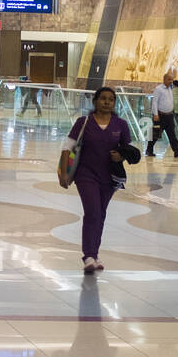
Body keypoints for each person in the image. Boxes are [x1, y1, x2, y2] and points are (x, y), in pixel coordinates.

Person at [62, 87, 139, 274]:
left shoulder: (120, 125)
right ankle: (88, 255)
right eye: (103, 98)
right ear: (95, 101)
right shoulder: (83, 122)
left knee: (101, 213)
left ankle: (94, 255)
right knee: (93, 211)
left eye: (111, 99)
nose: (106, 102)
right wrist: (63, 173)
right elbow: (68, 147)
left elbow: (127, 149)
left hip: (110, 176)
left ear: (114, 103)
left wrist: (119, 156)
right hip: (85, 174)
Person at [146, 70, 178, 159]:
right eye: (169, 79)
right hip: (160, 116)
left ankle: (176, 151)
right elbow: (155, 102)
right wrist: (155, 114)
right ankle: (149, 150)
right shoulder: (158, 89)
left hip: (169, 116)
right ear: (164, 79)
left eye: (172, 80)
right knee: (155, 134)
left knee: (172, 134)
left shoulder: (170, 89)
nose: (171, 81)